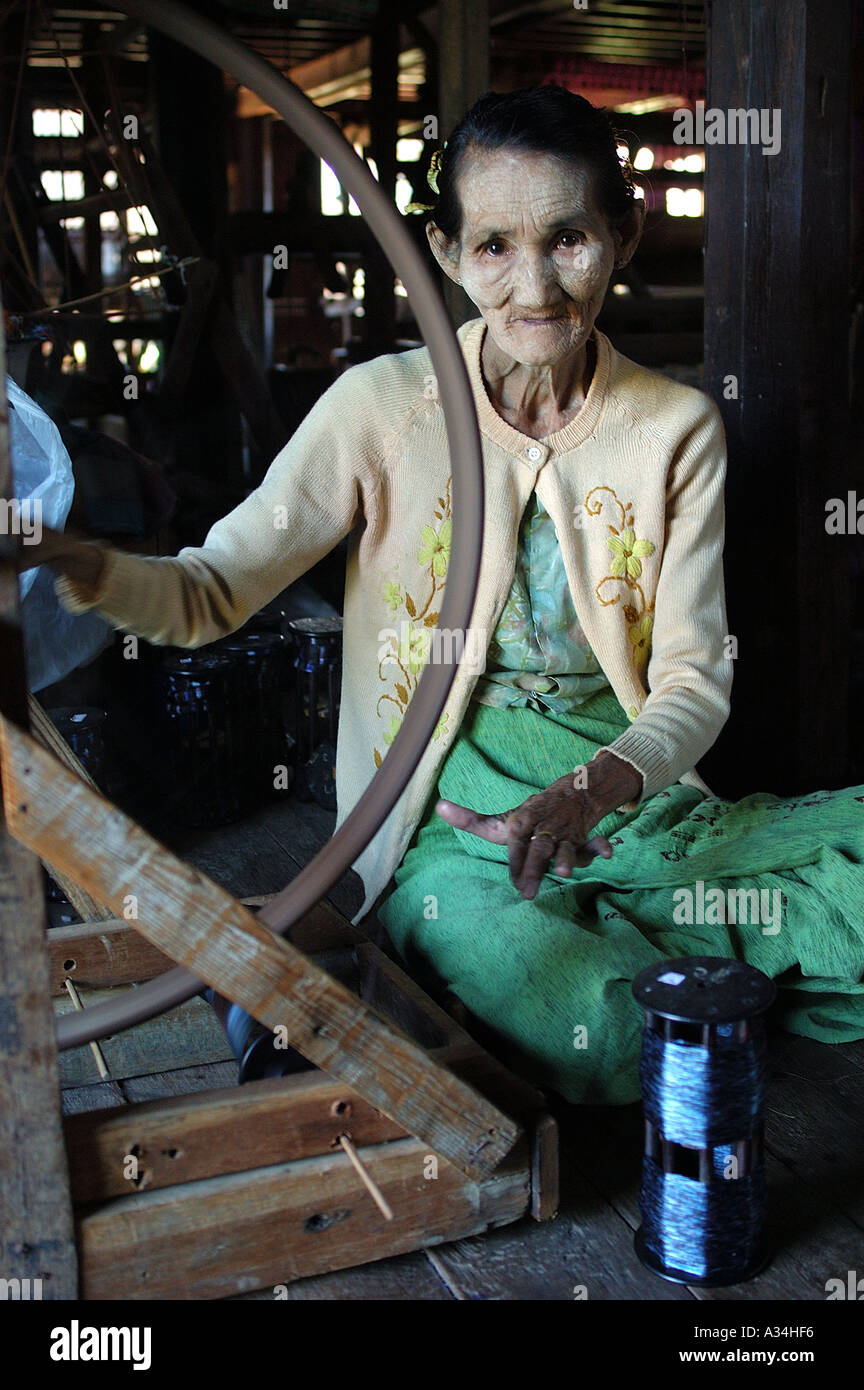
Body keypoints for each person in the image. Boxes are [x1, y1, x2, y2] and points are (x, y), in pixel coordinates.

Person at [21, 87, 864, 1105]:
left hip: (628, 797)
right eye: (495, 246)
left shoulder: (674, 427)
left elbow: (693, 678)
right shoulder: (382, 408)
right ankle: (663, 964)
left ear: (625, 235)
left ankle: (663, 933)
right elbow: (207, 593)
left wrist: (593, 789)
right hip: (449, 820)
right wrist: (78, 561)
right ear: (448, 251)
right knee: (602, 1025)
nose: (534, 287)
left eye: (568, 239)